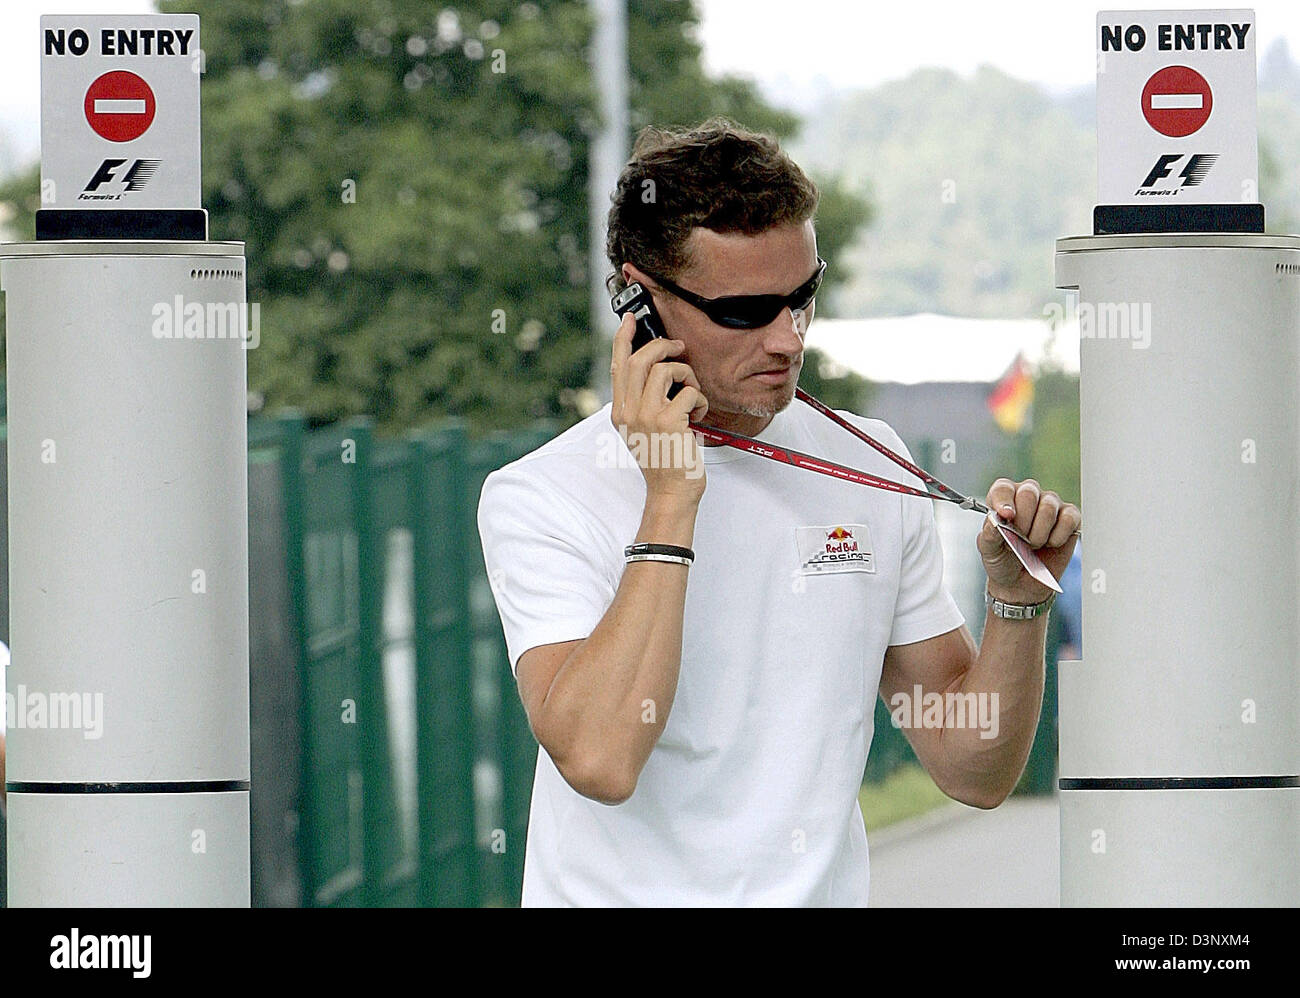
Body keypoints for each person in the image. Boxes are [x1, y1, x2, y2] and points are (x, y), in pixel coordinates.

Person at [477, 119, 1081, 907]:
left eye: (802, 298)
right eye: (746, 311)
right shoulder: (541, 494)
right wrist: (670, 496)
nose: (786, 338)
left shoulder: (872, 460)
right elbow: (600, 758)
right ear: (640, 300)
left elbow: (972, 768)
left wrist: (1019, 602)